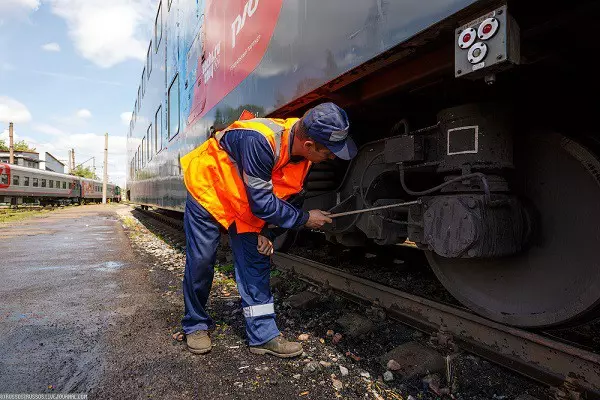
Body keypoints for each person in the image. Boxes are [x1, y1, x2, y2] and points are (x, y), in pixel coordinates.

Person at [179, 102, 357, 357]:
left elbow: (289, 199)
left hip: (247, 204)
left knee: (257, 260)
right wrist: (306, 219)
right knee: (202, 259)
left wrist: (269, 233)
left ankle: (262, 336)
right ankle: (195, 325)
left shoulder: (304, 157)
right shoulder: (260, 140)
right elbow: (263, 203)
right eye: (329, 154)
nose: (331, 159)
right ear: (309, 146)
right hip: (211, 190)